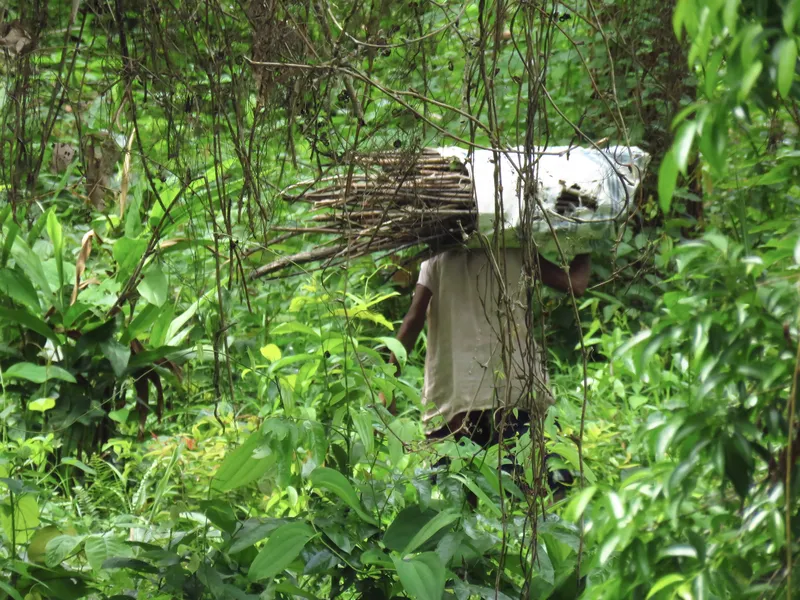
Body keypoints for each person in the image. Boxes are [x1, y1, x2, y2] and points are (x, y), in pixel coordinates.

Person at [383, 246, 591, 496]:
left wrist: (387, 387)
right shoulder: (515, 249)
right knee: (545, 498)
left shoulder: (438, 259)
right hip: (515, 397)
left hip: (455, 402)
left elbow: (413, 320)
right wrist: (587, 239)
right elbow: (576, 283)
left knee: (454, 510)